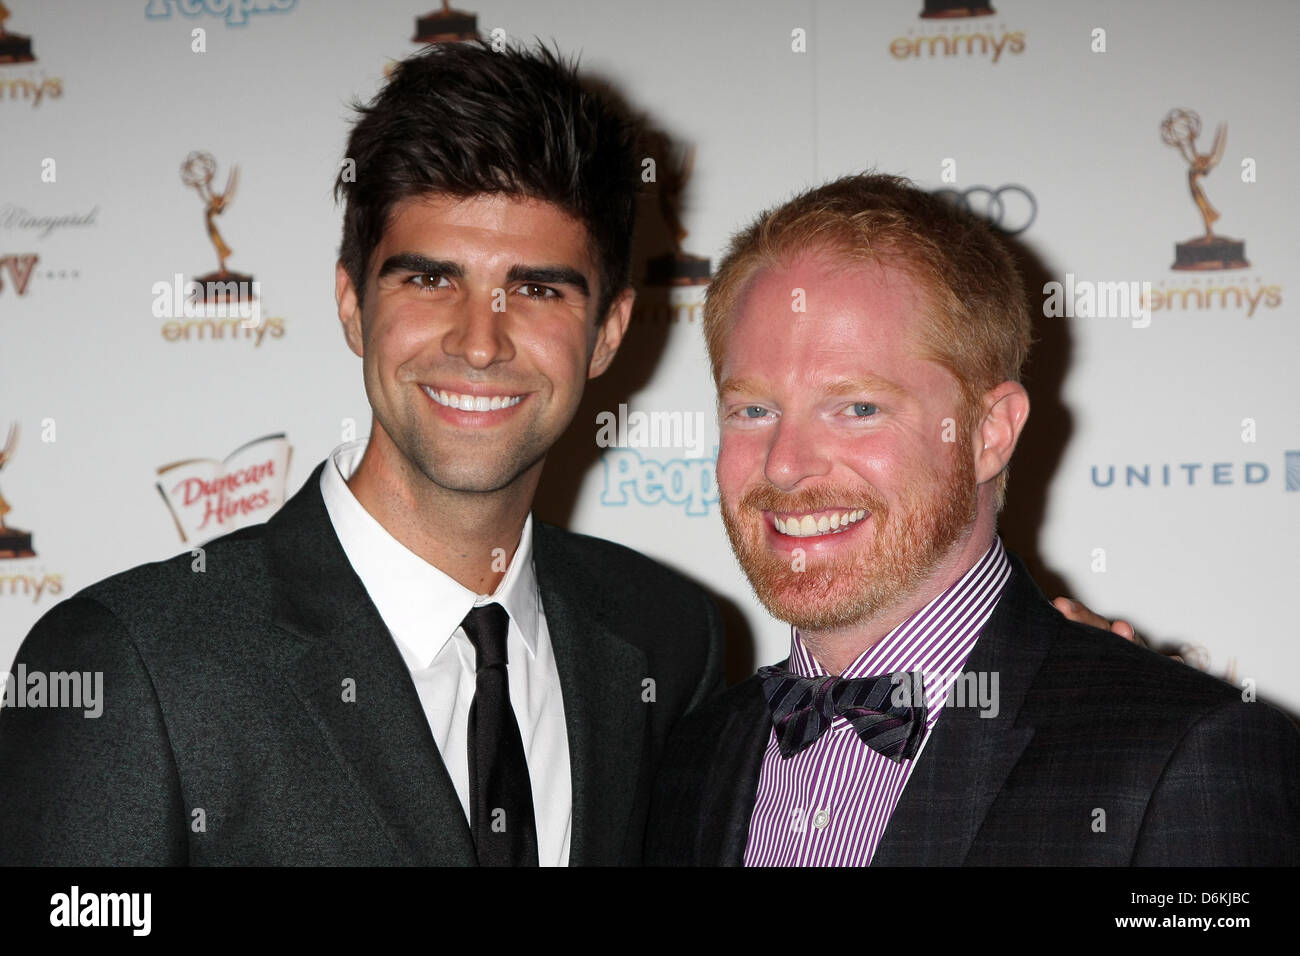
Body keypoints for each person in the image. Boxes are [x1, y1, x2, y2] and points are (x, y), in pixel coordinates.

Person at [0, 41, 726, 867]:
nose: (480, 343)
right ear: (351, 304)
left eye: (535, 289)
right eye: (428, 280)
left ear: (609, 333)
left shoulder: (667, 639)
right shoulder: (131, 668)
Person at [646, 173, 1300, 866]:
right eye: (753, 410)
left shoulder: (1184, 756)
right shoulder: (688, 757)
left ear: (989, 432)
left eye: (858, 408)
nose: (784, 465)